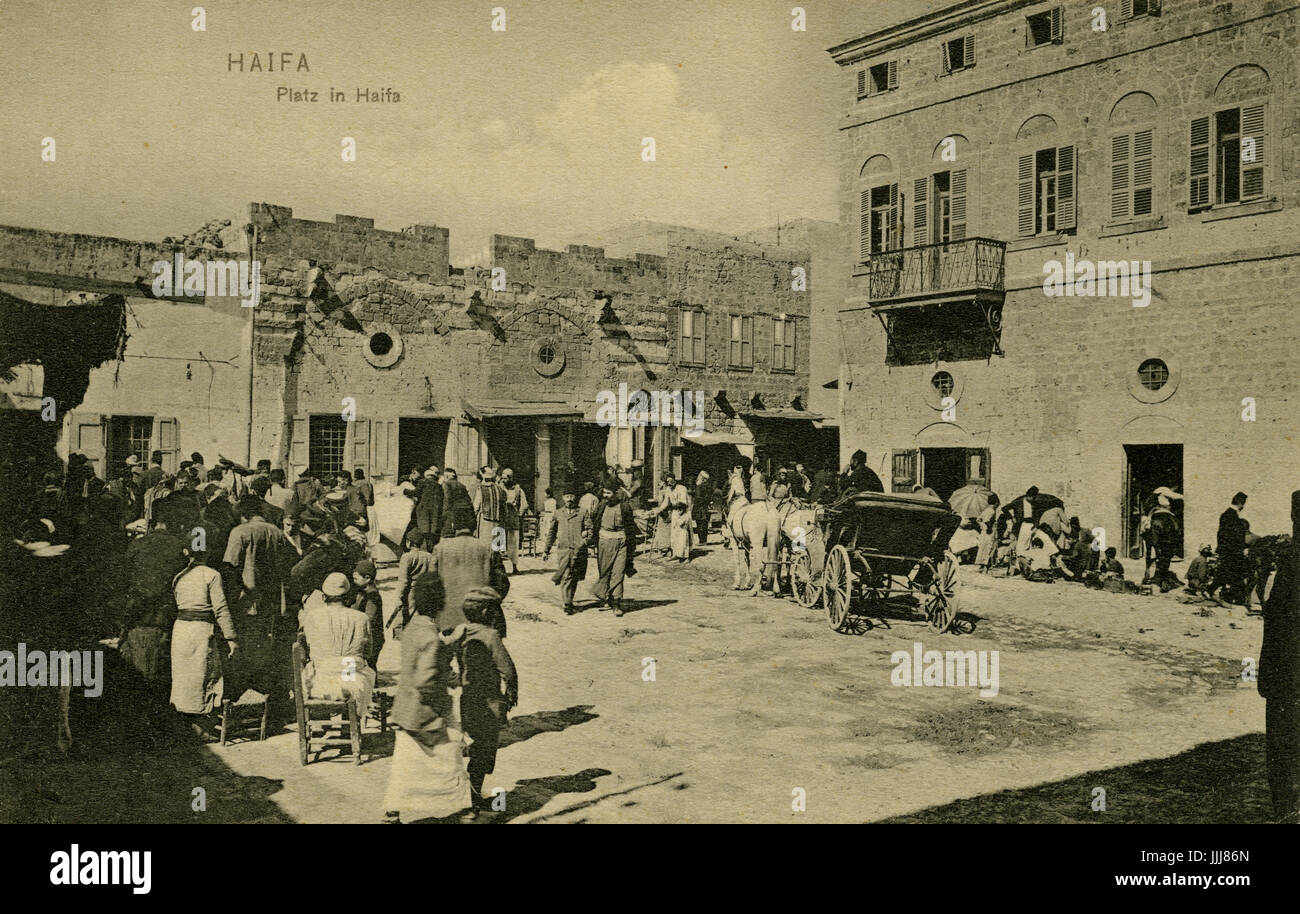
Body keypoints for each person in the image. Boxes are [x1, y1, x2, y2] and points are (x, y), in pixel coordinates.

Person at [383, 573, 473, 824]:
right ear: (440, 602)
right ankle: (463, 809)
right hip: (426, 713)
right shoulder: (431, 636)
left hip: (405, 709)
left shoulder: (414, 627)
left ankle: (392, 811)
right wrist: (449, 684)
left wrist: (447, 644)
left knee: (405, 765)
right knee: (450, 758)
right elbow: (426, 679)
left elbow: (426, 655)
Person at [221, 495, 296, 701]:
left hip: (247, 600)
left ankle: (248, 693)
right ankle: (265, 691)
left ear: (244, 514)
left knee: (246, 646)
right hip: (271, 599)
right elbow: (291, 560)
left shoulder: (240, 532)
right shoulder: (277, 532)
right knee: (266, 644)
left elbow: (230, 566)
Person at [459, 586, 519, 819]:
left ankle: (471, 797)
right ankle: (473, 801)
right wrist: (511, 692)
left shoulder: (461, 632)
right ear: (486, 612)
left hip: (467, 699)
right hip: (489, 701)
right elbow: (508, 670)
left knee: (477, 747)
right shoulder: (491, 635)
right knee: (485, 751)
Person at [1258, 489, 1300, 823]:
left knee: (1283, 748)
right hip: (1285, 676)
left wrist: (1266, 676)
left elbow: (1273, 622)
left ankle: (1286, 810)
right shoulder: (1285, 565)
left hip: (1285, 676)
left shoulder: (1286, 566)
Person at [169, 534, 237, 736]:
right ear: (208, 552)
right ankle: (200, 727)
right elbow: (220, 609)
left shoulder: (179, 577)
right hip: (201, 630)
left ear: (186, 552)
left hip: (181, 630)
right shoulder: (212, 575)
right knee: (204, 677)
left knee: (184, 678)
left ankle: (184, 724)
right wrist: (231, 638)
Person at [121, 509, 188, 695]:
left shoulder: (137, 544)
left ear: (153, 523)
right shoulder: (178, 546)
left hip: (138, 613)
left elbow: (123, 578)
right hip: (165, 614)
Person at [299, 572, 375, 723]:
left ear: (324, 597)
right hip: (351, 682)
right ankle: (349, 724)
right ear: (348, 597)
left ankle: (319, 721)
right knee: (357, 670)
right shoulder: (361, 618)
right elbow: (368, 652)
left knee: (315, 668)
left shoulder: (311, 617)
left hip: (319, 683)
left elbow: (304, 649)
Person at [431, 502, 511, 638]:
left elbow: (430, 586)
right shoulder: (488, 548)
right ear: (474, 525)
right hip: (482, 618)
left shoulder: (440, 549)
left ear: (453, 525)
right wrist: (488, 603)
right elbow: (502, 583)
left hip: (448, 620)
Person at [589, 483, 638, 617]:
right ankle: (607, 598)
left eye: (608, 493)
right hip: (604, 542)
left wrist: (631, 547)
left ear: (616, 494)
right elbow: (594, 521)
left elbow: (630, 528)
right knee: (605, 572)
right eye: (604, 493)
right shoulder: (601, 505)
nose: (605, 496)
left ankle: (616, 603)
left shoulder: (624, 507)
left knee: (619, 572)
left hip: (621, 542)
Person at [547, 490, 591, 614]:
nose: (569, 499)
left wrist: (585, 541)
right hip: (563, 550)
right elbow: (552, 532)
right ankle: (567, 603)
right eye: (567, 496)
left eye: (572, 496)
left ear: (575, 497)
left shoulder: (583, 512)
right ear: (563, 498)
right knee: (566, 575)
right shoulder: (558, 513)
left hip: (578, 550)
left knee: (574, 576)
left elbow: (590, 529)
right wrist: (546, 550)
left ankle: (569, 600)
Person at [1213, 492, 1254, 605]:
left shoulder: (1228, 514)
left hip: (1228, 550)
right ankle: (1211, 590)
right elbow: (1232, 537)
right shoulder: (1231, 515)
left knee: (1228, 572)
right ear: (1241, 503)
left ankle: (1216, 591)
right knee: (1230, 572)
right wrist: (1241, 549)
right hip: (1231, 551)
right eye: (1243, 504)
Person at [394, 532, 437, 637]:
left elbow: (403, 580)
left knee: (412, 616)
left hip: (411, 591)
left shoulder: (406, 557)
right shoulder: (430, 556)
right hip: (426, 590)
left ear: (408, 542)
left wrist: (398, 596)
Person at [350, 559, 384, 670]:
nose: (354, 581)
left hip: (372, 638)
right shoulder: (362, 591)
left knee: (369, 667)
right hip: (368, 636)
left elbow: (369, 618)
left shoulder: (372, 596)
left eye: (356, 579)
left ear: (367, 578)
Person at [1149, 487, 1183, 592]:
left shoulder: (1156, 493)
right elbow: (1176, 497)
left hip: (1157, 512)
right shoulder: (1164, 490)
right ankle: (1163, 581)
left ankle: (1158, 578)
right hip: (1165, 511)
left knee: (1147, 524)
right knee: (1165, 558)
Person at [498, 468, 528, 574]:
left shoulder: (518, 490)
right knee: (498, 543)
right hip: (501, 520)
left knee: (513, 544)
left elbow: (525, 505)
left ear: (511, 478)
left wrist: (518, 514)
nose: (503, 480)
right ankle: (498, 568)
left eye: (506, 478)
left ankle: (514, 567)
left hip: (513, 520)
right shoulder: (499, 488)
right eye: (502, 478)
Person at [472, 466, 504, 553]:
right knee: (496, 546)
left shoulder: (481, 489)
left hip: (485, 521)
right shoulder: (499, 489)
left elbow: (476, 506)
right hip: (498, 520)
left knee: (485, 545)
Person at [976, 493, 1000, 572]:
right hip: (989, 532)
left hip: (984, 532)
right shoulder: (991, 511)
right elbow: (987, 521)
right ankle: (986, 567)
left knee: (984, 548)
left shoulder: (986, 510)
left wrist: (982, 526)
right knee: (989, 548)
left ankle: (982, 565)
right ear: (996, 503)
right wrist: (989, 528)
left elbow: (978, 519)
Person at [693, 470, 714, 546]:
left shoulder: (699, 485)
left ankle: (701, 541)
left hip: (699, 507)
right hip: (705, 507)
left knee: (700, 524)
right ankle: (704, 540)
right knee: (705, 524)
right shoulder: (708, 485)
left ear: (701, 477)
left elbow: (698, 496)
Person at [539, 488, 557, 560]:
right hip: (546, 516)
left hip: (550, 516)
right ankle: (546, 547)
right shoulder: (546, 501)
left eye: (545, 493)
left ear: (548, 494)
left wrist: (552, 517)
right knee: (545, 531)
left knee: (549, 530)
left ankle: (549, 547)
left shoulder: (553, 501)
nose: (544, 495)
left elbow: (554, 510)